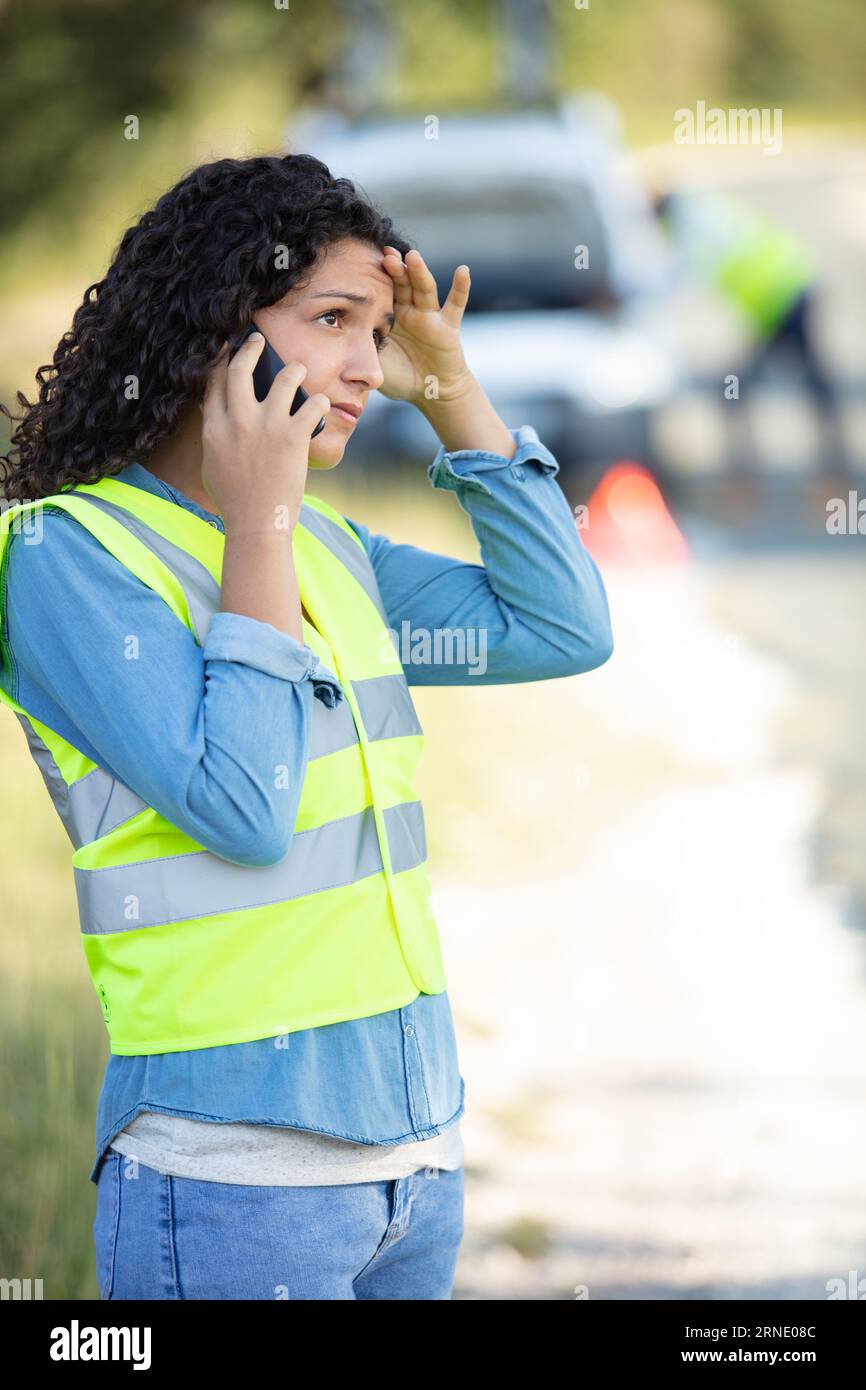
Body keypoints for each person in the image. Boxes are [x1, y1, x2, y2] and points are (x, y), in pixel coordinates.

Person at [0, 153, 614, 1300]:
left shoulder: (333, 550)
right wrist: (260, 520)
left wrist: (449, 390)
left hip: (413, 1161)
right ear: (208, 329)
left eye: (377, 333)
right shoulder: (62, 557)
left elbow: (563, 626)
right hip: (231, 1173)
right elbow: (242, 807)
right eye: (330, 319)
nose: (359, 368)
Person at [653, 186, 852, 483]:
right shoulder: (704, 208)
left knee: (742, 384)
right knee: (810, 378)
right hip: (789, 292)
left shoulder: (688, 228)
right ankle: (833, 458)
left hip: (782, 299)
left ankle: (750, 467)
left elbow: (675, 281)